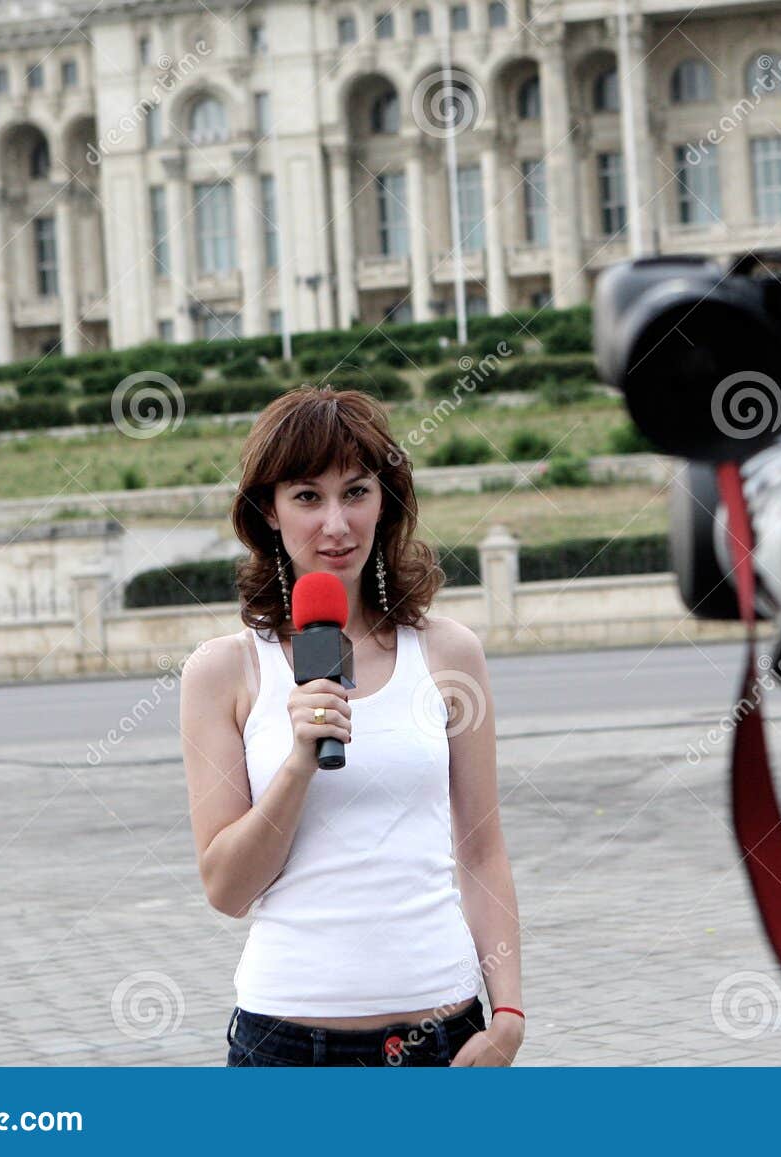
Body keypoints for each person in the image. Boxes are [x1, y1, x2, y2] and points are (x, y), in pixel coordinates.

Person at [179, 386, 524, 1066]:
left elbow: (483, 852)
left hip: (444, 1039)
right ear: (269, 511)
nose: (335, 523)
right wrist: (297, 763)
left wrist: (507, 1016)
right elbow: (227, 889)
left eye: (356, 492)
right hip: (287, 1048)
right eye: (307, 496)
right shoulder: (223, 672)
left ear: (384, 502)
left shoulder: (449, 654)